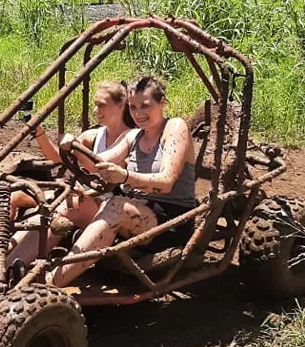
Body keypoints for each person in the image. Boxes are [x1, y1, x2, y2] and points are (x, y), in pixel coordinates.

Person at [46, 74, 196, 288]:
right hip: (136, 213)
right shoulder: (133, 136)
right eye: (133, 107)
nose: (138, 114)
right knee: (75, 203)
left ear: (161, 102)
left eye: (145, 106)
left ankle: (50, 284)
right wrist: (75, 148)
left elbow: (166, 181)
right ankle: (12, 270)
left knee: (115, 205)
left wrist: (125, 176)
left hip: (169, 221)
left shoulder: (174, 127)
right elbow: (98, 165)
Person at [0, 80, 132, 253]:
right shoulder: (94, 136)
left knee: (52, 208)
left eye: (101, 106)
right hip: (75, 194)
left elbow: (106, 176)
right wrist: (39, 132)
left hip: (103, 204)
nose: (95, 111)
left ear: (121, 105)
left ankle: (2, 256)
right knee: (14, 195)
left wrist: (82, 187)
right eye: (94, 105)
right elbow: (57, 157)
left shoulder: (130, 139)